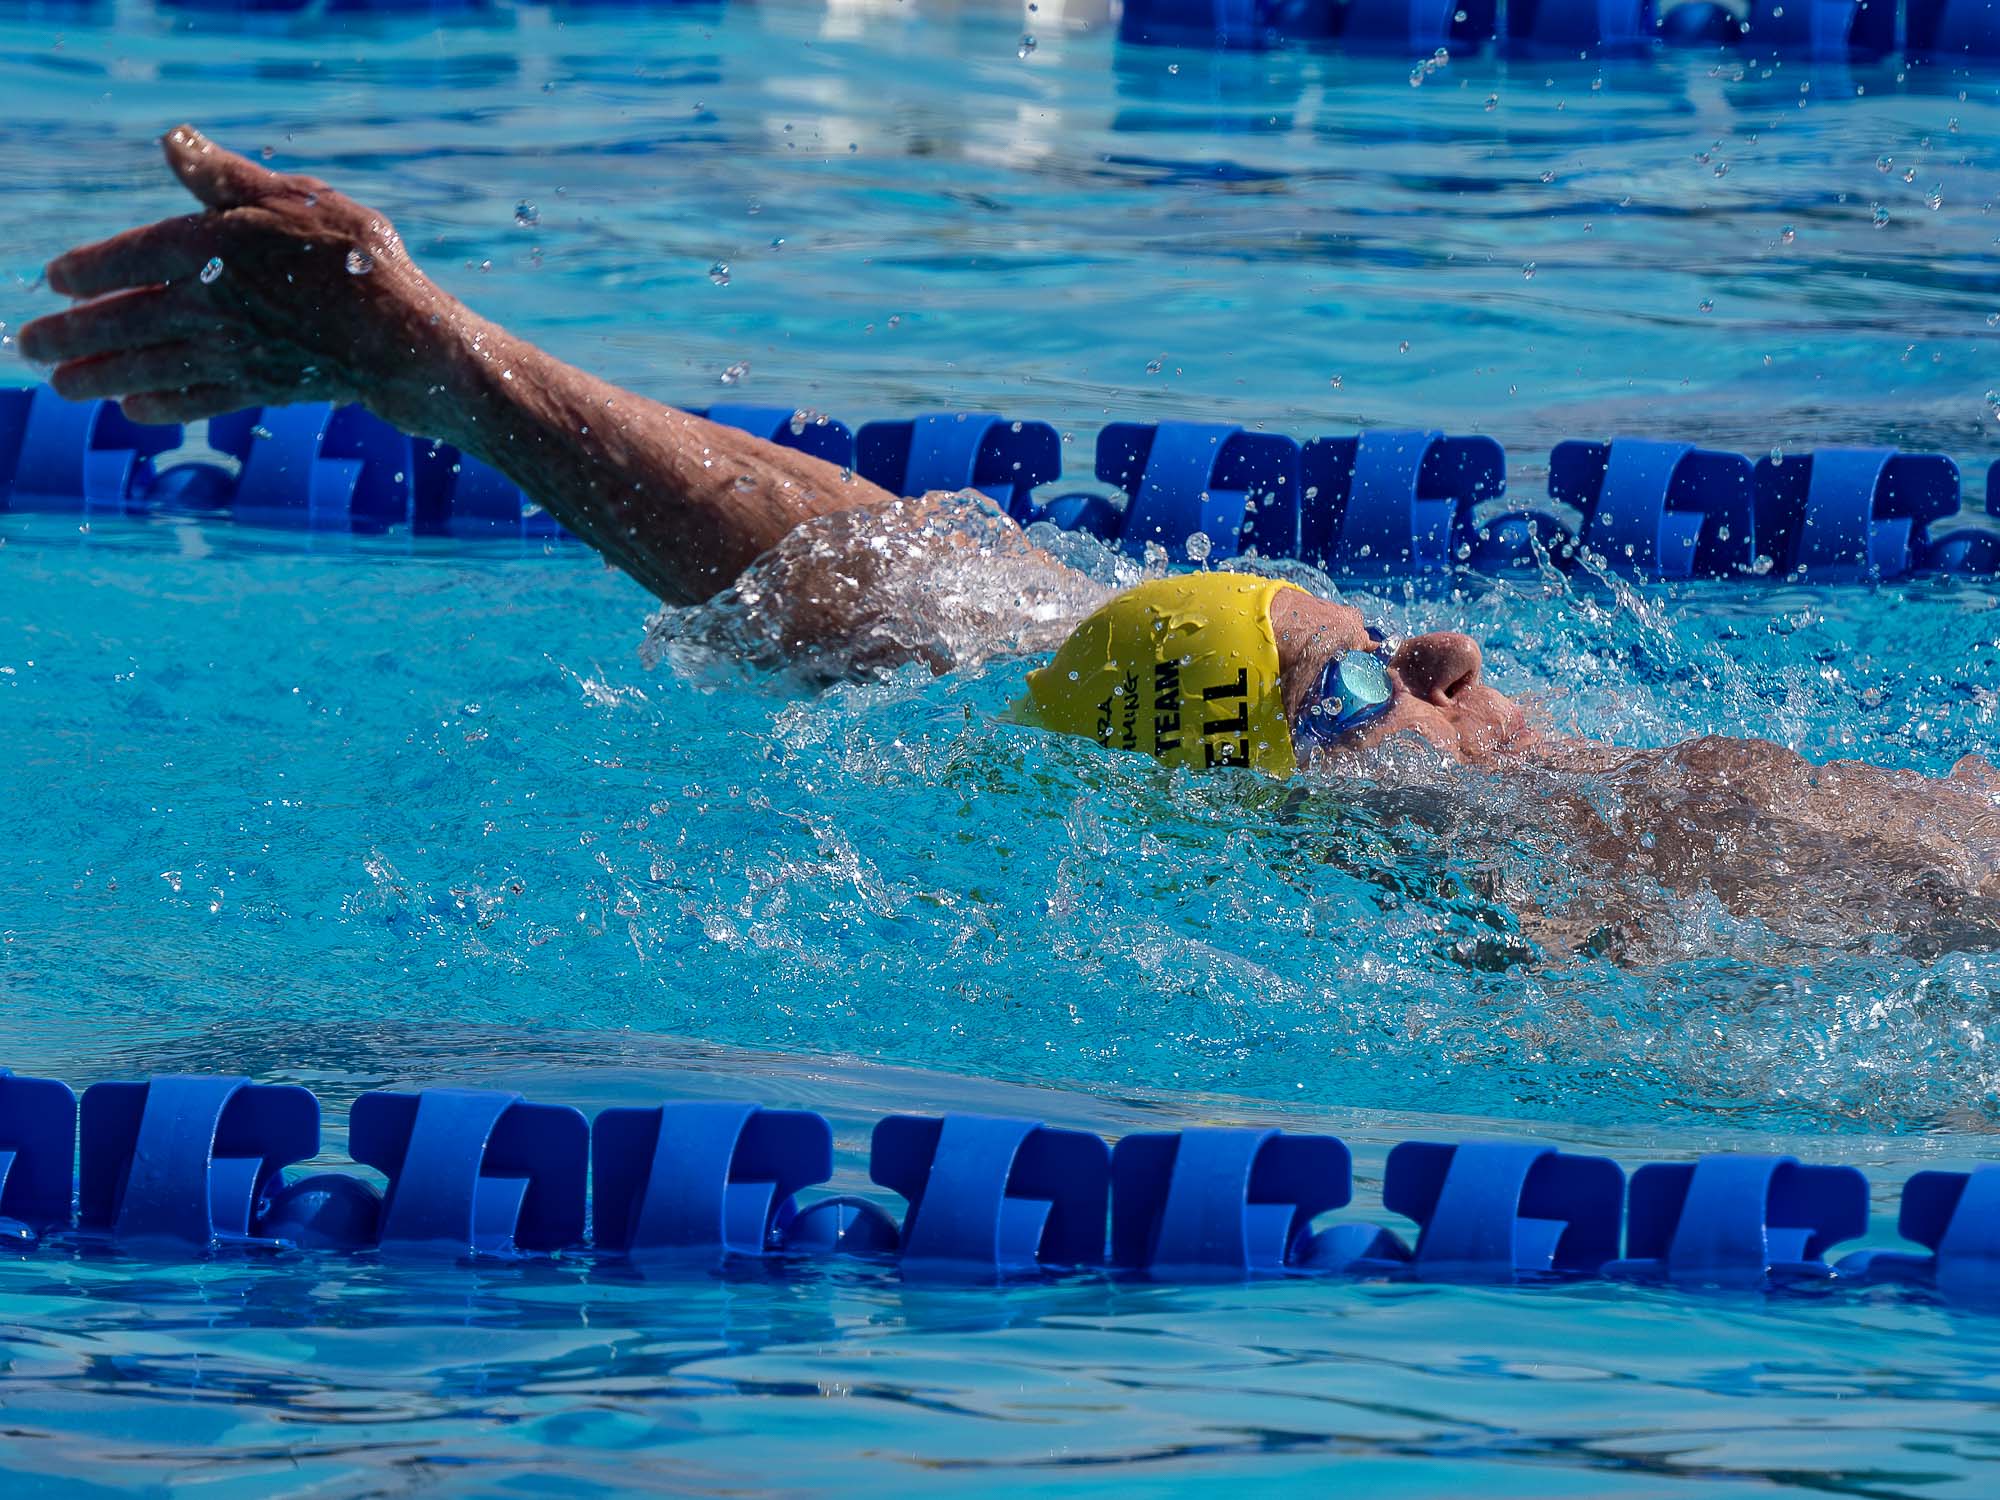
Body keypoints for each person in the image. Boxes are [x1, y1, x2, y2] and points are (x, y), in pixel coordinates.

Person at [18, 127, 1999, 955]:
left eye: (1386, 663)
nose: (1454, 659)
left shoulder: (1528, 836)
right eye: (1372, 682)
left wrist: (456, 370)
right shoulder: (1626, 868)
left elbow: (903, 593)